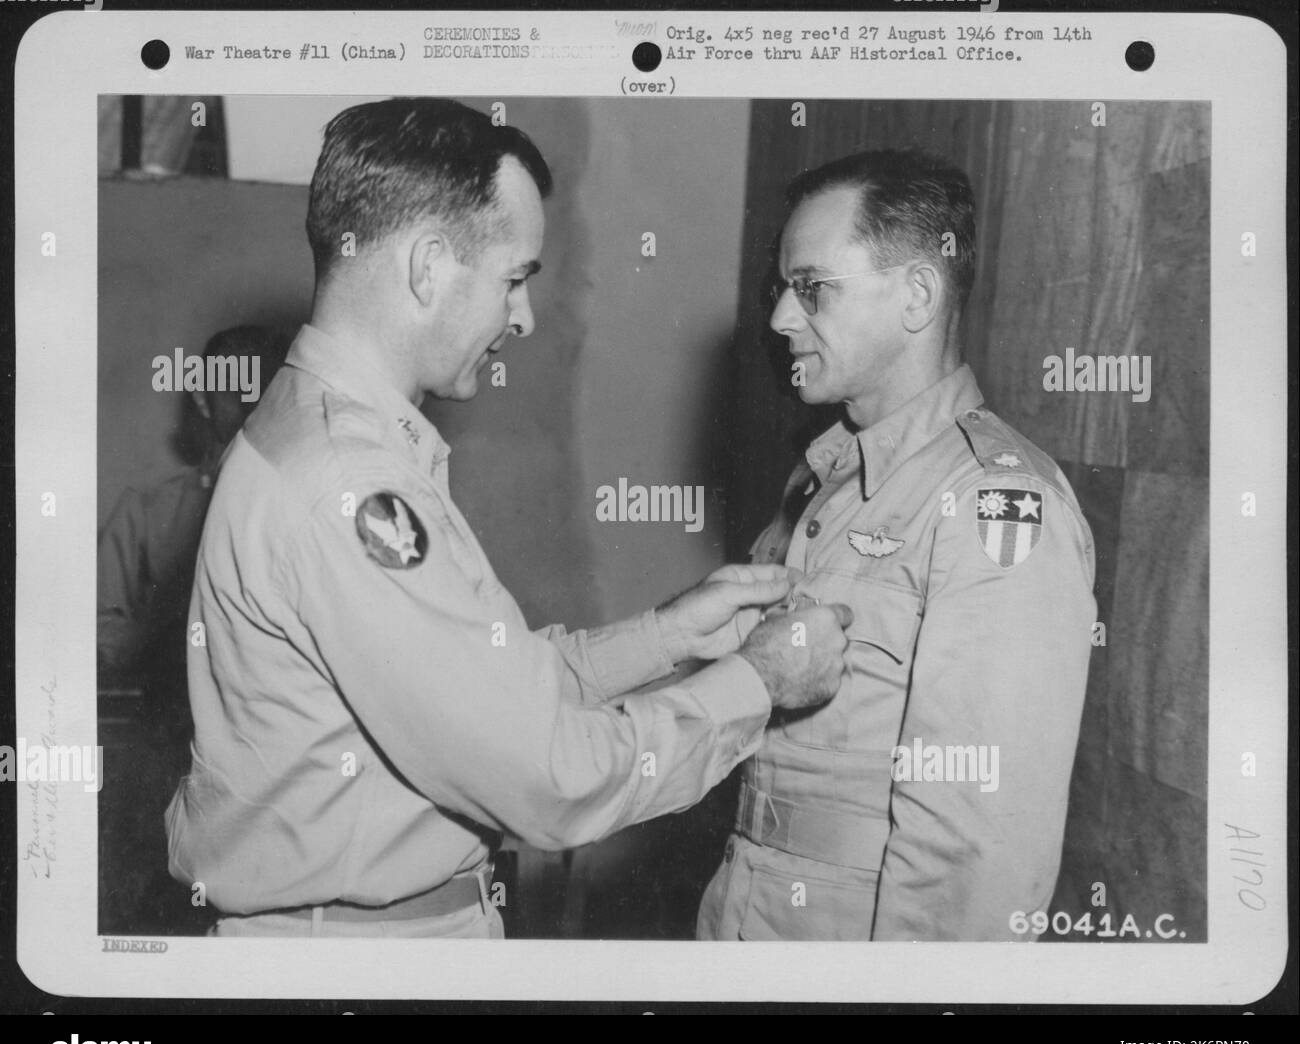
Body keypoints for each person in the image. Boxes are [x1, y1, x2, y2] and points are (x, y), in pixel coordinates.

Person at [165, 97, 852, 939]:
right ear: (427, 268)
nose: (522, 317)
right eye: (515, 278)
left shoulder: (330, 438)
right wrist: (759, 682)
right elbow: (548, 780)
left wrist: (668, 637)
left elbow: (482, 695)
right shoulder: (349, 484)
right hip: (364, 953)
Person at [697, 149, 1097, 941]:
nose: (779, 317)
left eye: (811, 289)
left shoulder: (994, 504)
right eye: (782, 288)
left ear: (917, 293)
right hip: (748, 918)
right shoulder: (824, 479)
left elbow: (978, 857)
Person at [97, 325, 289, 681]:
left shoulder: (300, 505)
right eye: (236, 386)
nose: (253, 400)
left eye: (265, 385)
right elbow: (99, 623)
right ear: (202, 398)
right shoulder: (146, 510)